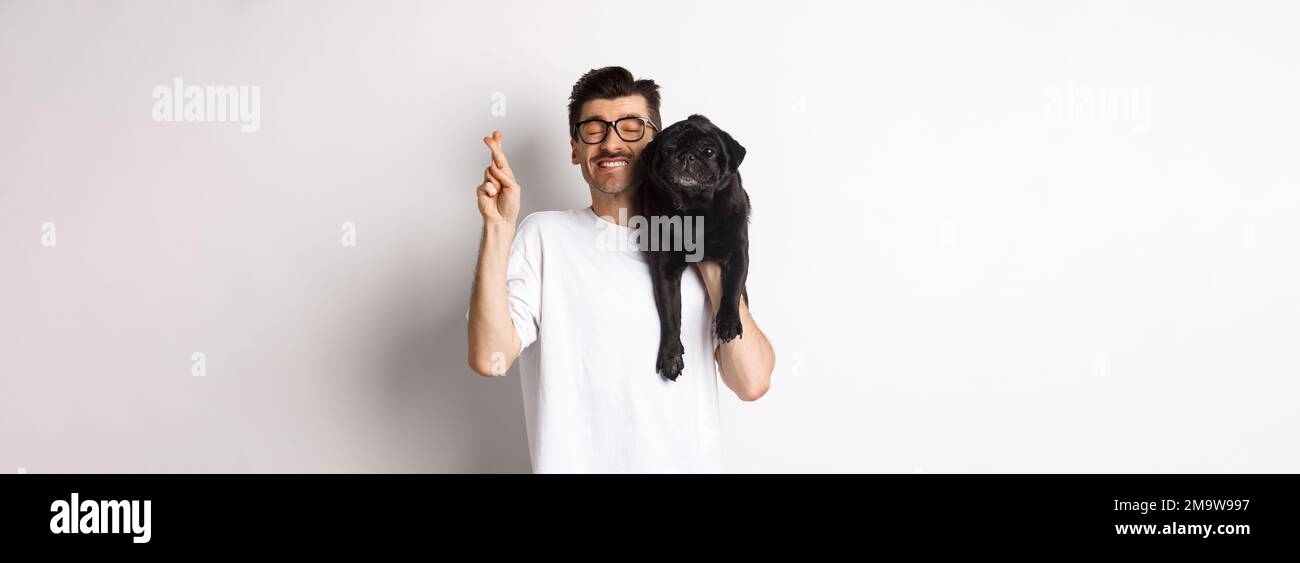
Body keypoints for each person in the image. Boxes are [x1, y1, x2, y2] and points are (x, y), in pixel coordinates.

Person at [467, 66, 775, 473]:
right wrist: (497, 229)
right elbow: (491, 359)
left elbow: (750, 382)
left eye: (631, 127)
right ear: (575, 148)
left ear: (657, 144)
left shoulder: (700, 243)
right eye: (594, 130)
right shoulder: (546, 237)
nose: (611, 142)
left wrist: (706, 251)